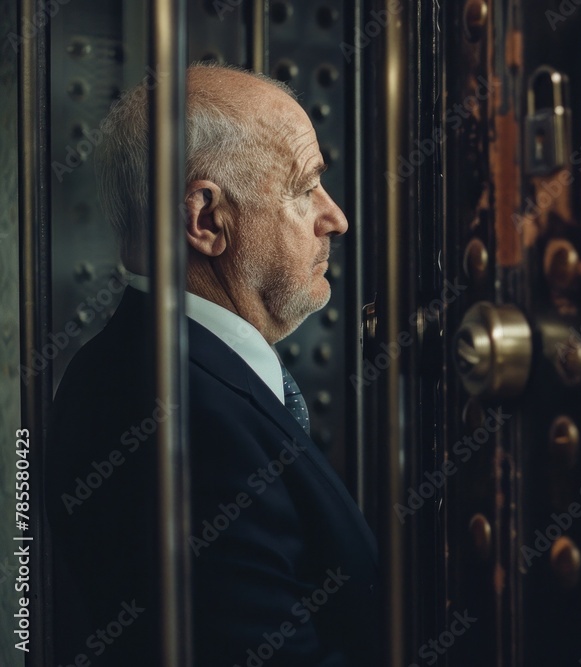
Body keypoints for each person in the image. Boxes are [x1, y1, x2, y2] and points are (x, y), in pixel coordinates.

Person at [44, 64, 379, 666]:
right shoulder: (185, 418)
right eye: (305, 189)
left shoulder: (134, 366)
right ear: (205, 220)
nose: (335, 218)